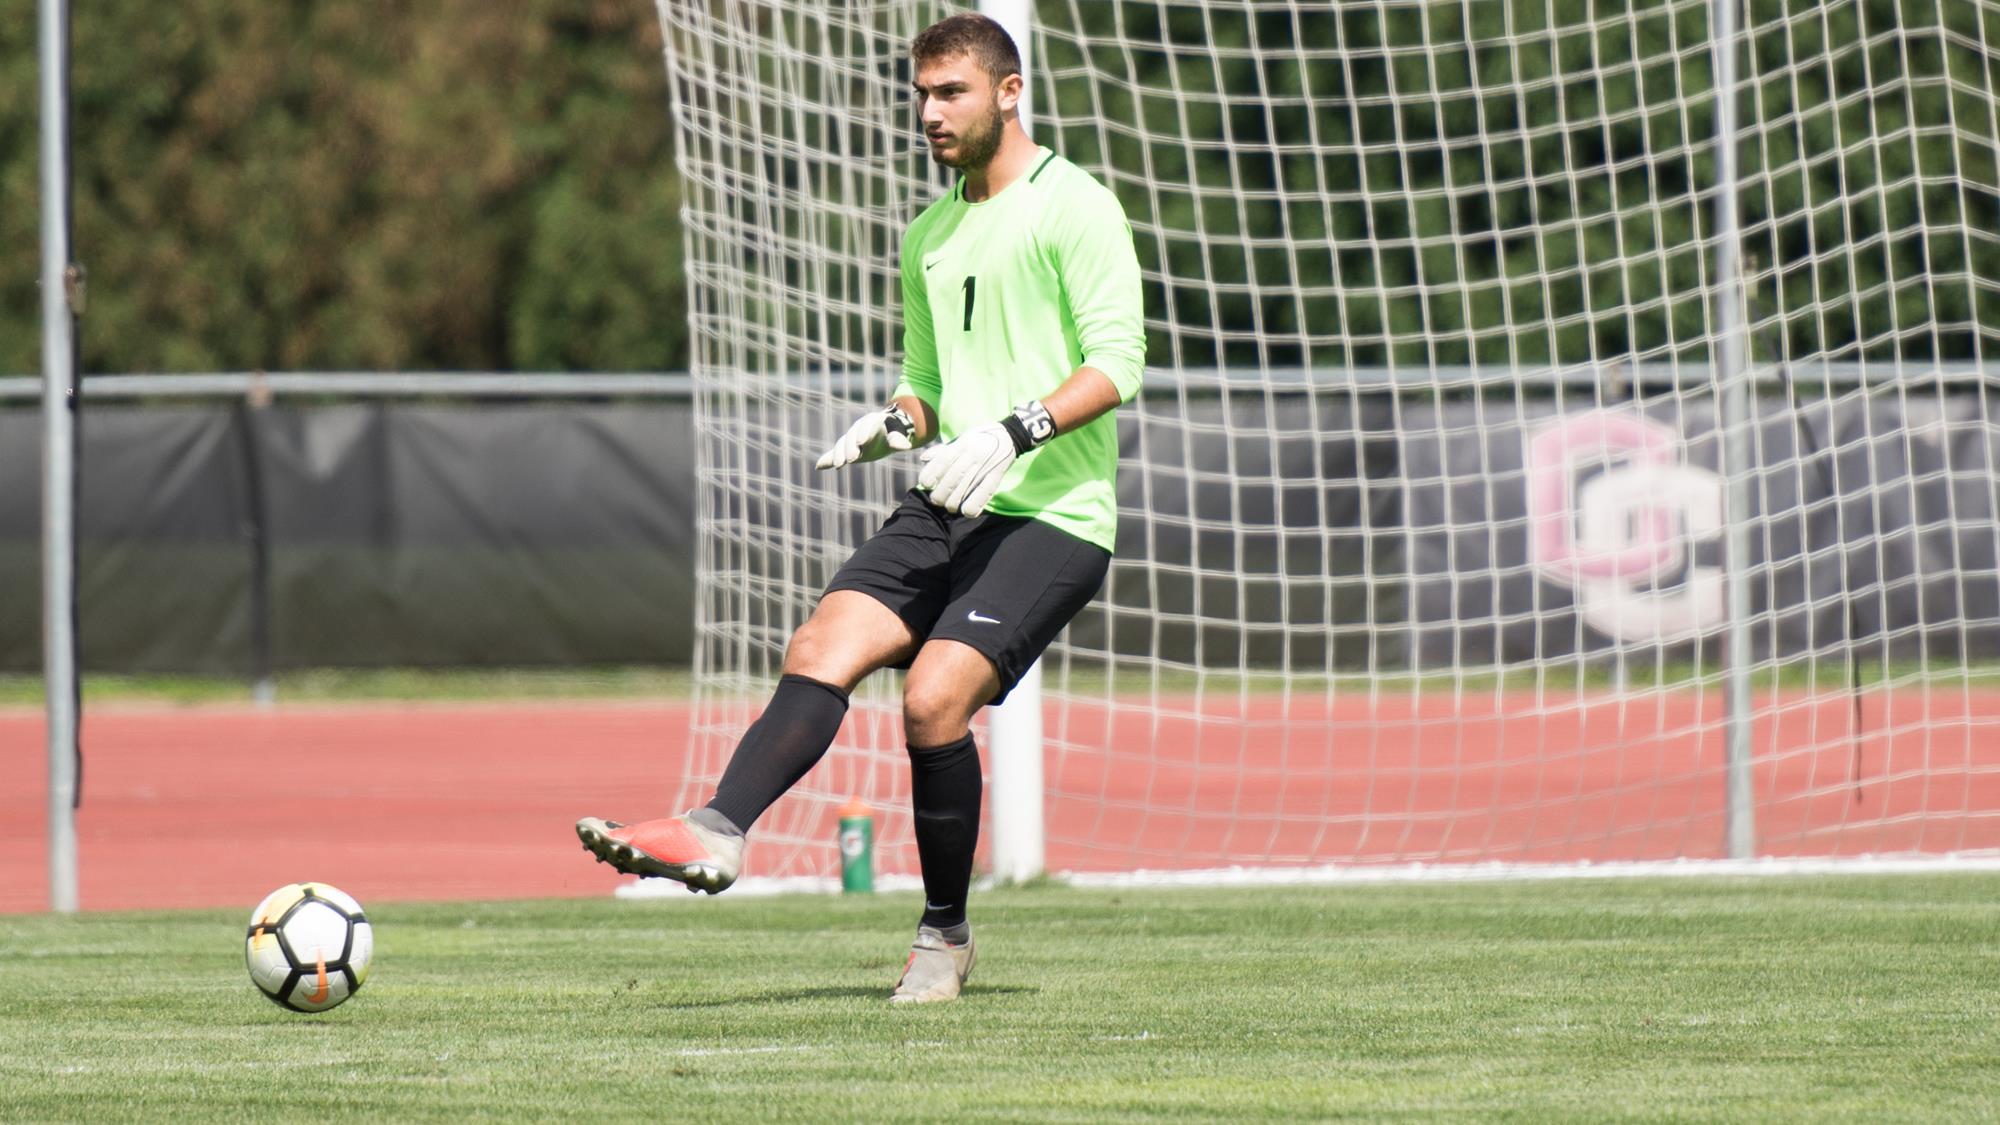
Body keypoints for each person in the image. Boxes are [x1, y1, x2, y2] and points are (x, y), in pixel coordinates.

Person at [576, 12, 1144, 1004]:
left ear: (1008, 93)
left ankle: (943, 938)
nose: (928, 111)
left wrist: (1012, 431)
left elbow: (1116, 366)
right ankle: (716, 832)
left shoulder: (1076, 207)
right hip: (945, 502)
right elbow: (924, 383)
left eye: (950, 92)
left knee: (930, 702)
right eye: (919, 94)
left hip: (1052, 513)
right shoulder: (925, 233)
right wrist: (893, 421)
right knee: (819, 647)